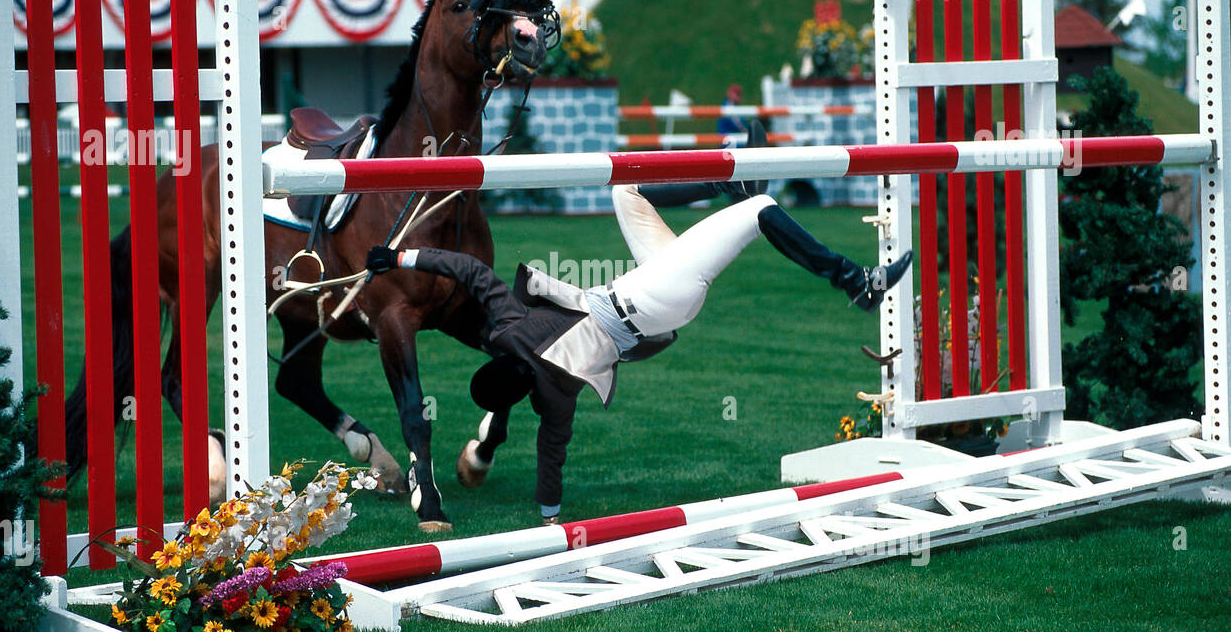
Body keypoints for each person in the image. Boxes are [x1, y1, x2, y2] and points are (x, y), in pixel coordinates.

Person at [365, 176, 912, 525]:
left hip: (652, 296)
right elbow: (470, 269)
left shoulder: (553, 399)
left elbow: (551, 458)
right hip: (653, 298)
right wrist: (402, 259)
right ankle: (854, 281)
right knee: (762, 210)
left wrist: (550, 519)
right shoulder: (509, 329)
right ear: (496, 362)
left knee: (624, 188)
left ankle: (729, 187)